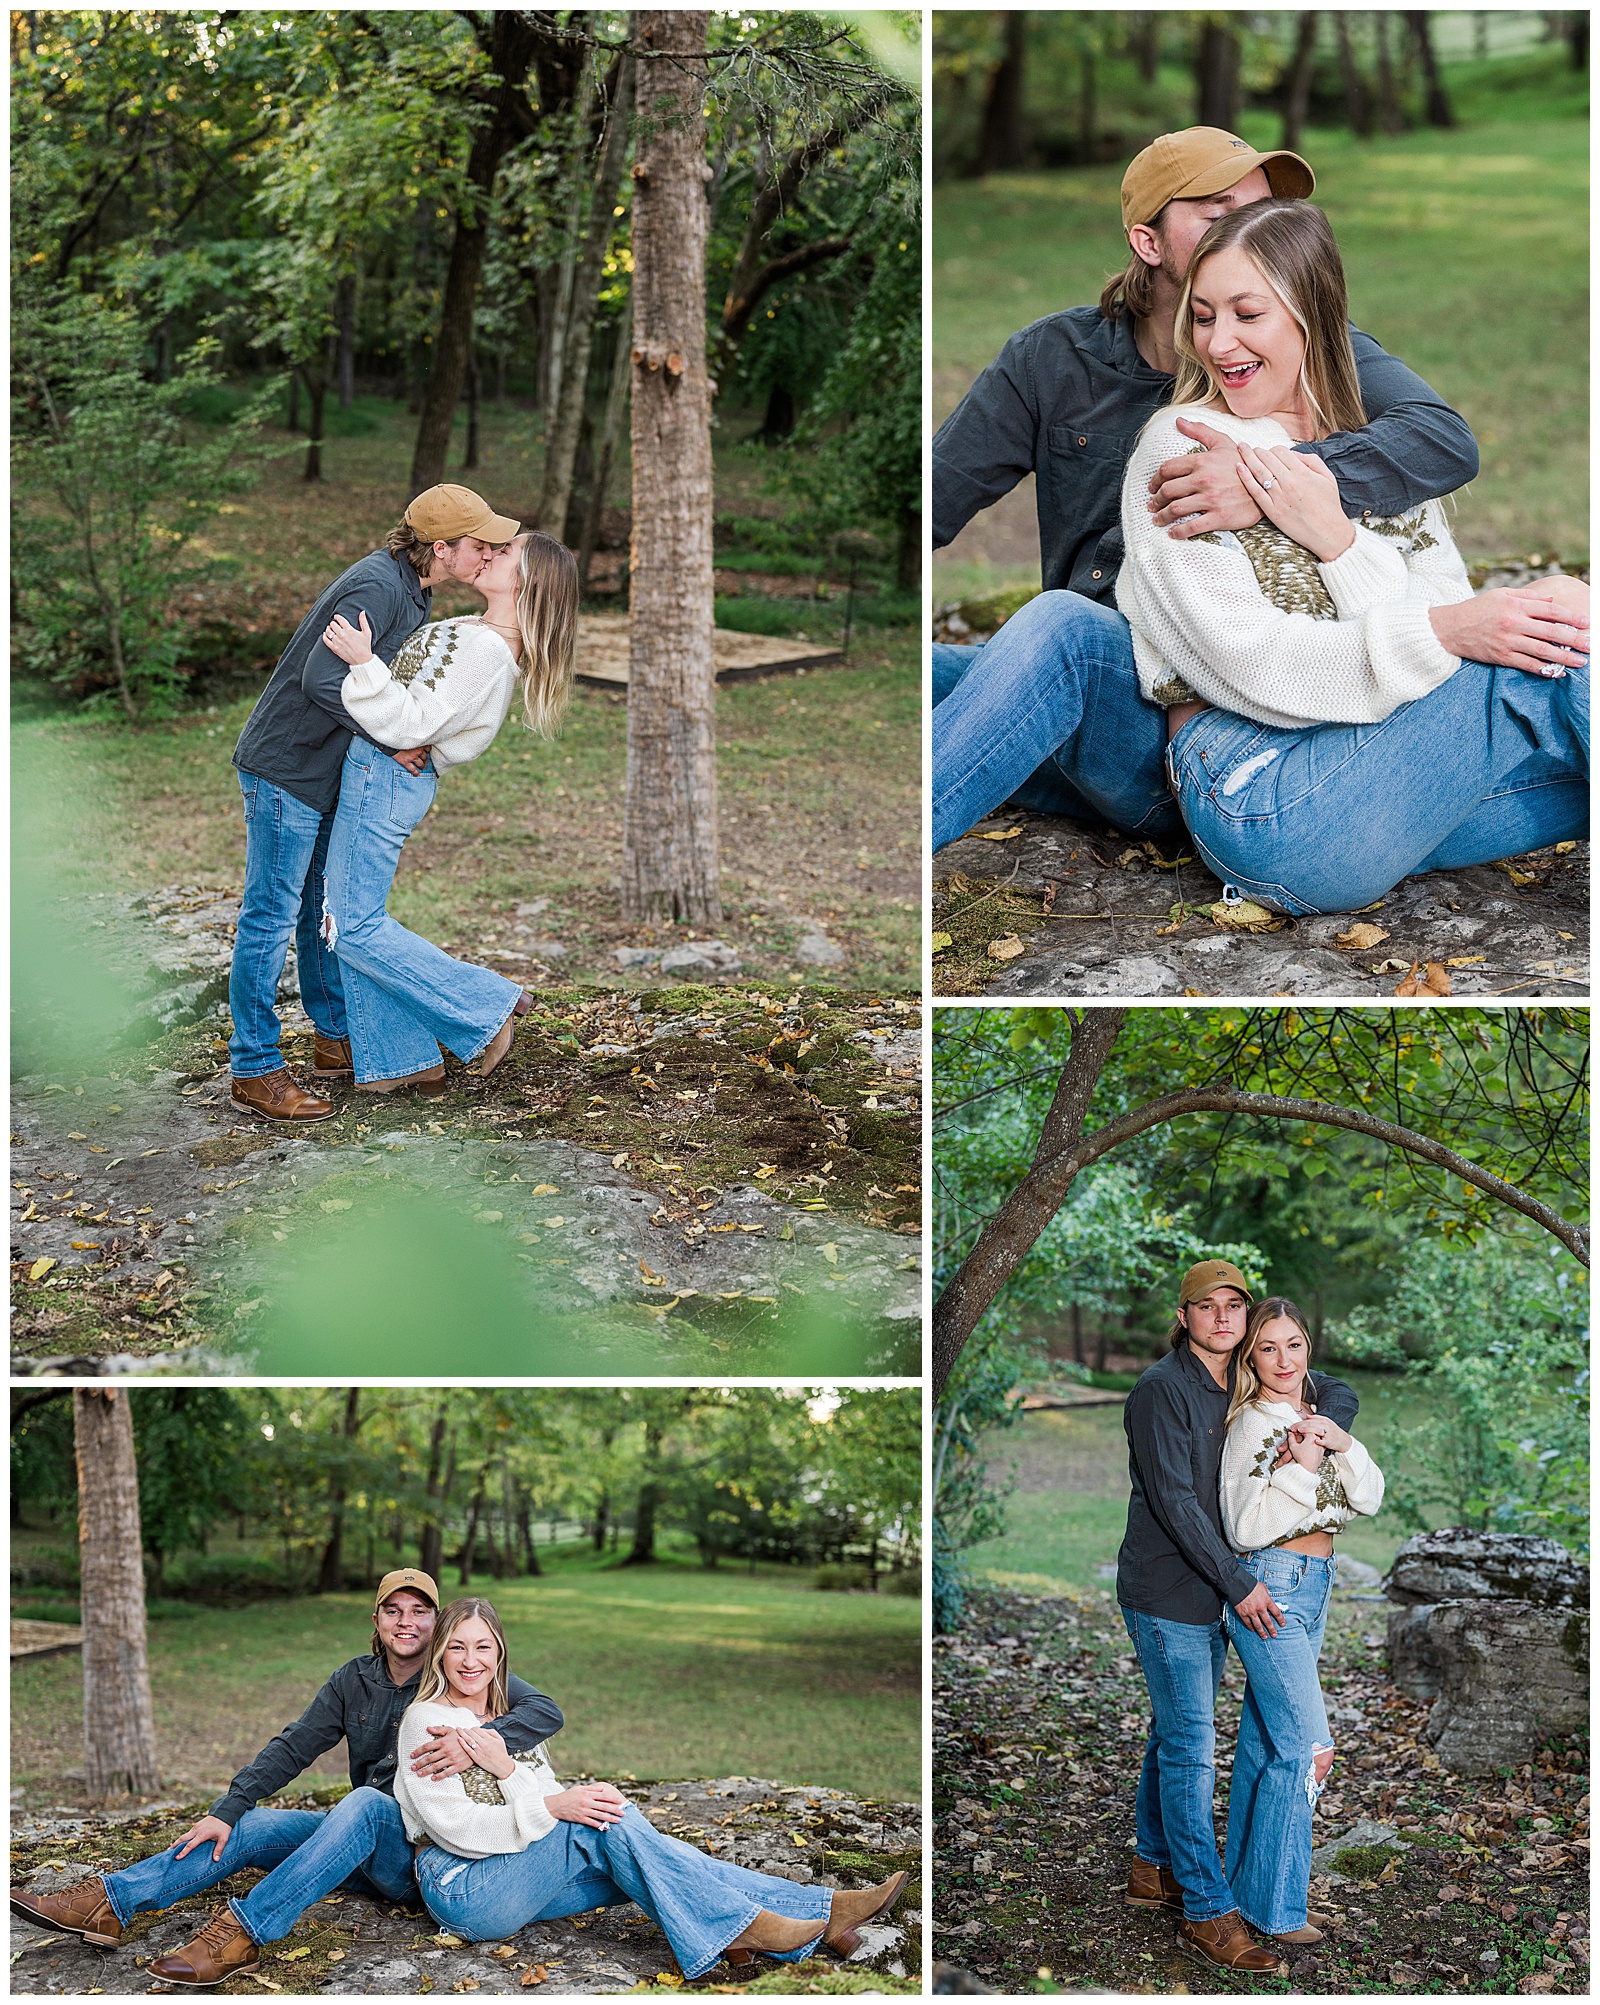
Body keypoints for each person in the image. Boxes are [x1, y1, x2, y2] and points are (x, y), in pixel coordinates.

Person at [930, 127, 1589, 891]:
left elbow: (1443, 452)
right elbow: (936, 495)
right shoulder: (1098, 388)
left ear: (1305, 307)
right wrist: (1446, 629)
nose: (1222, 342)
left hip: (1334, 747)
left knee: (1562, 650)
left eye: (1260, 212)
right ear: (1149, 243)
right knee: (1027, 644)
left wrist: (1306, 507)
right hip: (1176, 712)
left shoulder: (1354, 395)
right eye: (1220, 215)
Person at [8, 1570, 564, 1988]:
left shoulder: (461, 1671)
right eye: (393, 1610)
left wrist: (473, 1744)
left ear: (438, 1624)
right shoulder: (353, 1680)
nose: (406, 1622)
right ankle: (108, 1902)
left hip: (417, 1853)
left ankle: (245, 1933)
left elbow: (545, 1711)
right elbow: (295, 1746)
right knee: (248, 1828)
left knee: (366, 1804)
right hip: (357, 1835)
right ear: (376, 1621)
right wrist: (229, 1806)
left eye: (420, 1612)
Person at [394, 1598, 908, 1984]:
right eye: (456, 1646)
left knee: (654, 1857)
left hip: (520, 1876)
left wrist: (511, 1770)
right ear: (439, 1654)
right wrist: (551, 1802)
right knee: (605, 1820)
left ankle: (814, 1916)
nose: (470, 1660)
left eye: (482, 1646)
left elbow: (538, 1791)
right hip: (463, 1888)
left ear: (500, 1651)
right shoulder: (427, 1721)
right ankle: (767, 1923)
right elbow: (459, 1830)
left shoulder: (509, 1718)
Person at [226, 484, 518, 1124]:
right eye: (480, 544)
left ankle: (334, 1039)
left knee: (317, 910)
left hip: (324, 770)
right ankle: (254, 1067)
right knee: (271, 916)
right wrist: (391, 740)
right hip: (288, 767)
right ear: (441, 547)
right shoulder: (379, 586)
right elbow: (322, 678)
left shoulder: (414, 590)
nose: (489, 553)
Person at [1116, 1260, 1358, 1973]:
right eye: (1206, 1305)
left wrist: (1320, 1428)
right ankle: (1206, 1910)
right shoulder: (1161, 1390)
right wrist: (1240, 1583)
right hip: (1171, 1592)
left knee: (1173, 1730)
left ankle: (1152, 1865)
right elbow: (1175, 1503)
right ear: (1183, 1315)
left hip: (1222, 1586)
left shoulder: (1250, 1377)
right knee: (1192, 1745)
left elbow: (1336, 1388)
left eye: (1233, 1305)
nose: (1221, 1317)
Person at [315, 530, 579, 1092]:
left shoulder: (488, 651)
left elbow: (413, 723)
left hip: (387, 776)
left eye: (505, 552)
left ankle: (487, 1007)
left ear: (528, 581)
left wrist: (362, 663)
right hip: (377, 768)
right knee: (350, 917)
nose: (489, 553)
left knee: (353, 926)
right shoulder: (476, 630)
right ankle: (400, 1062)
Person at [1219, 1296, 1384, 1946]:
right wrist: (1302, 1470)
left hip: (1318, 1583)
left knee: (1266, 1742)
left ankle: (1243, 1894)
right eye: (1267, 1347)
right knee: (1310, 1749)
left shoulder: (1314, 1416)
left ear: (1308, 1347)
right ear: (1251, 1357)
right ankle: (1280, 1910)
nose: (1283, 1359)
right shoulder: (1250, 1423)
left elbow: (1368, 1498)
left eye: (1293, 1344)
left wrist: (1341, 1442)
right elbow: (1243, 1526)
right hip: (1271, 1585)